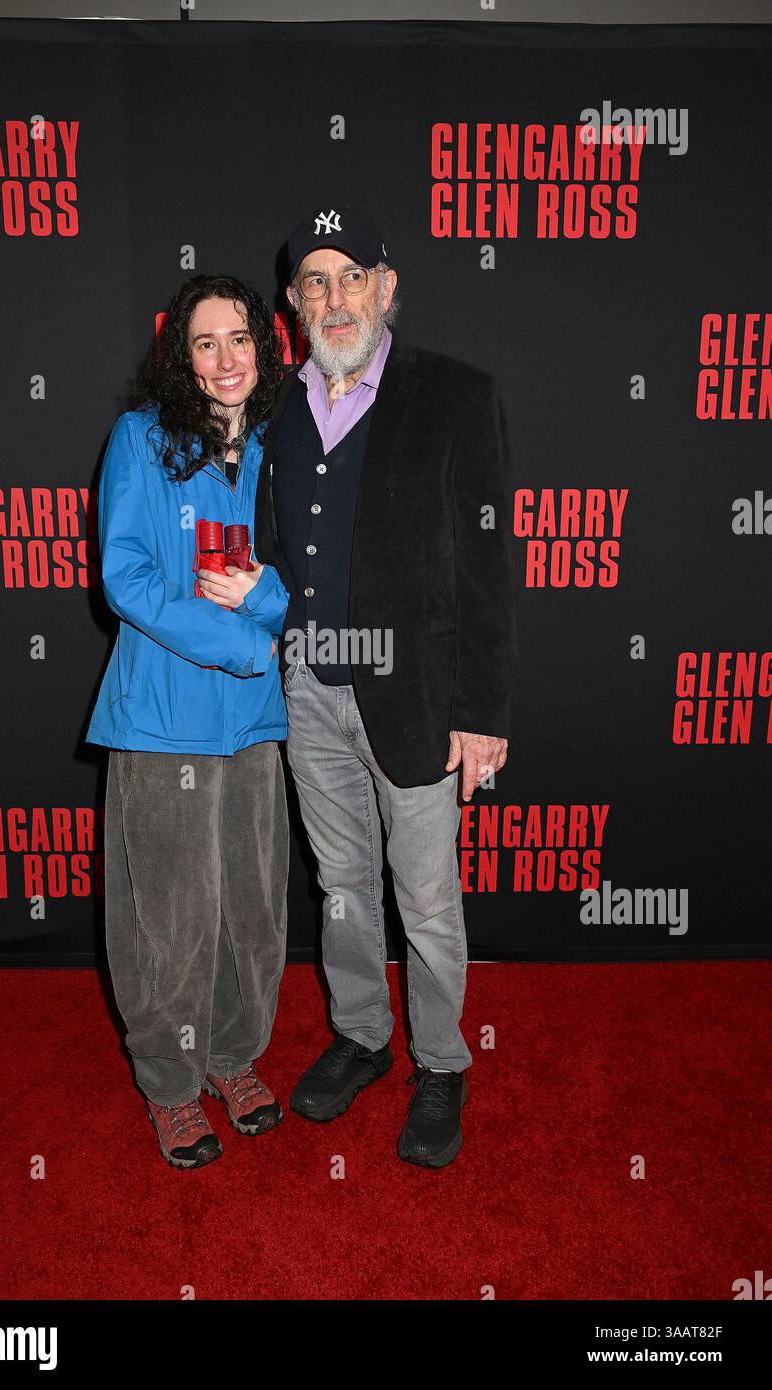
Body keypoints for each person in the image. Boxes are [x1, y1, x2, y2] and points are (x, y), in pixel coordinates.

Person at [251, 204, 518, 1169]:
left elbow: (489, 562)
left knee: (429, 899)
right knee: (342, 888)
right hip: (311, 692)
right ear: (293, 303)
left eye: (352, 276)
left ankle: (441, 1064)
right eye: (315, 281)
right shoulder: (278, 406)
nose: (335, 297)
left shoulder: (455, 395)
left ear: (387, 286)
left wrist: (482, 712)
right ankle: (363, 1035)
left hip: (415, 698)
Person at [86, 274, 291, 1169]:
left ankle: (233, 1056)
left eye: (239, 338)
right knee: (168, 917)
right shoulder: (140, 439)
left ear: (263, 345)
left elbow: (300, 582)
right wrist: (244, 644)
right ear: (182, 356)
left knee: (253, 907)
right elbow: (126, 580)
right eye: (205, 343)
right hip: (164, 716)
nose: (225, 359)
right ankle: (172, 1085)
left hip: (252, 723)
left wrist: (269, 599)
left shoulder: (285, 449)